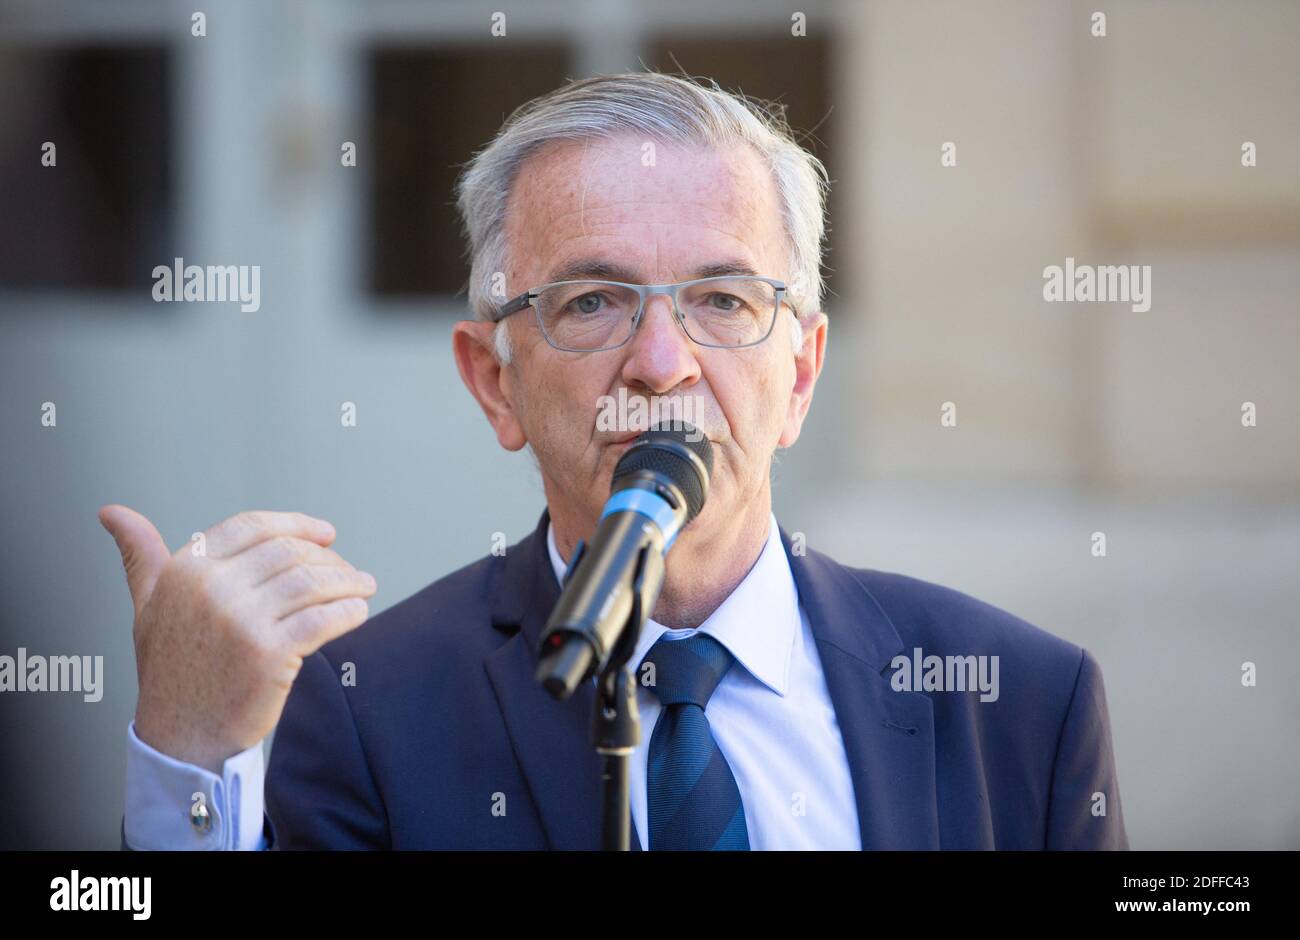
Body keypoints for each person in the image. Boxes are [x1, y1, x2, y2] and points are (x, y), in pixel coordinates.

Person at [102, 72, 1127, 850]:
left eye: (723, 300)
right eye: (592, 302)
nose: (662, 363)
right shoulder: (372, 708)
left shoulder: (1017, 702)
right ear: (495, 381)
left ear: (801, 374)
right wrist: (186, 759)